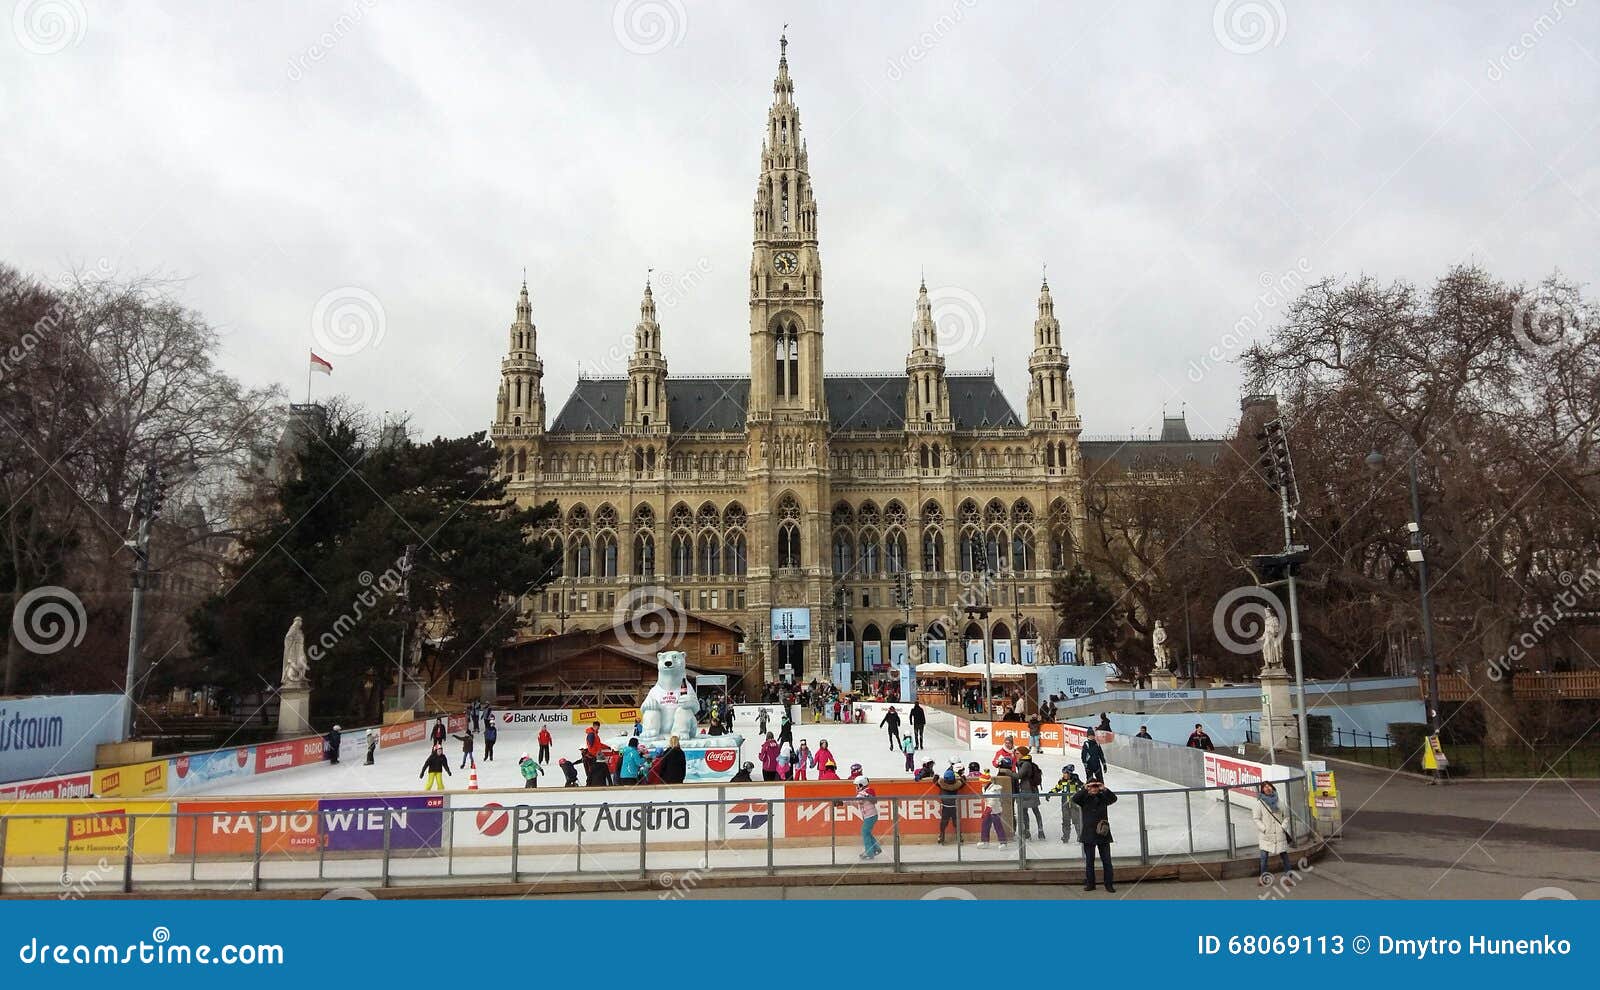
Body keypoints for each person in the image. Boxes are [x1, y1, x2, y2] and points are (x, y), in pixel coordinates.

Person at [1073, 780, 1118, 891]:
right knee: (1089, 861)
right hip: (1088, 834)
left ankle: (1109, 884)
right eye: (1092, 786)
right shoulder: (1084, 798)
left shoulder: (1103, 797)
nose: (1094, 788)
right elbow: (1075, 799)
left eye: (1096, 786)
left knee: (1107, 861)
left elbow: (1114, 799)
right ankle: (1090, 884)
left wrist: (1104, 789)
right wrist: (1084, 789)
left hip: (1103, 833)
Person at [1253, 782, 1293, 880]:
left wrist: (1283, 827)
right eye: (1265, 787)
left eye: (1268, 786)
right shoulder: (1259, 803)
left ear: (1272, 787)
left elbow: (1286, 816)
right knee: (1264, 858)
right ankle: (1264, 878)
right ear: (1262, 790)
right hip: (1266, 835)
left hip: (1279, 833)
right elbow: (1256, 818)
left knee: (1284, 856)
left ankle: (1288, 877)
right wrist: (1264, 829)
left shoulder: (1280, 801)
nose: (1267, 788)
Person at [1009, 745, 1045, 839]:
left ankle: (1040, 830)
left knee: (1035, 810)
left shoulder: (1026, 764)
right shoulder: (1023, 762)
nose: (1016, 755)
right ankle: (1027, 830)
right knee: (1025, 811)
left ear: (1023, 754)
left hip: (1030, 790)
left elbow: (1019, 776)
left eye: (1017, 753)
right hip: (1026, 790)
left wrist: (1007, 772)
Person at [1050, 764, 1084, 842]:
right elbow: (1057, 788)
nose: (1064, 775)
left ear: (1070, 773)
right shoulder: (1062, 781)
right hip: (1065, 804)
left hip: (1074, 804)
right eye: (1063, 773)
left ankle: (1080, 836)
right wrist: (1050, 793)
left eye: (1066, 773)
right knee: (1065, 821)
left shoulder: (1075, 780)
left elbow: (1082, 787)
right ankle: (1066, 836)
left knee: (1076, 821)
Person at [935, 765, 966, 844]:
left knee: (943, 822)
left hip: (945, 807)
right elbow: (963, 782)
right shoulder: (957, 785)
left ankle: (941, 835)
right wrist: (962, 778)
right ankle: (959, 836)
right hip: (954, 807)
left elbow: (935, 781)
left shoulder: (942, 784)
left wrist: (936, 777)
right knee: (956, 822)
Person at [853, 776, 881, 860]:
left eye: (857, 785)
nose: (856, 787)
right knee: (867, 832)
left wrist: (843, 802)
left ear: (861, 784)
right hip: (871, 816)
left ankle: (869, 853)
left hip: (870, 816)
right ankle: (876, 849)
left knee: (865, 832)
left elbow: (855, 802)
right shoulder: (866, 793)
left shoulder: (863, 794)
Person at [978, 770, 1008, 848]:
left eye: (982, 782)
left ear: (987, 782)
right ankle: (985, 841)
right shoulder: (985, 788)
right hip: (988, 811)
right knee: (985, 826)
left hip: (995, 811)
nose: (981, 784)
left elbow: (992, 802)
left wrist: (986, 811)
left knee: (998, 827)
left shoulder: (993, 790)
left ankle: (1003, 842)